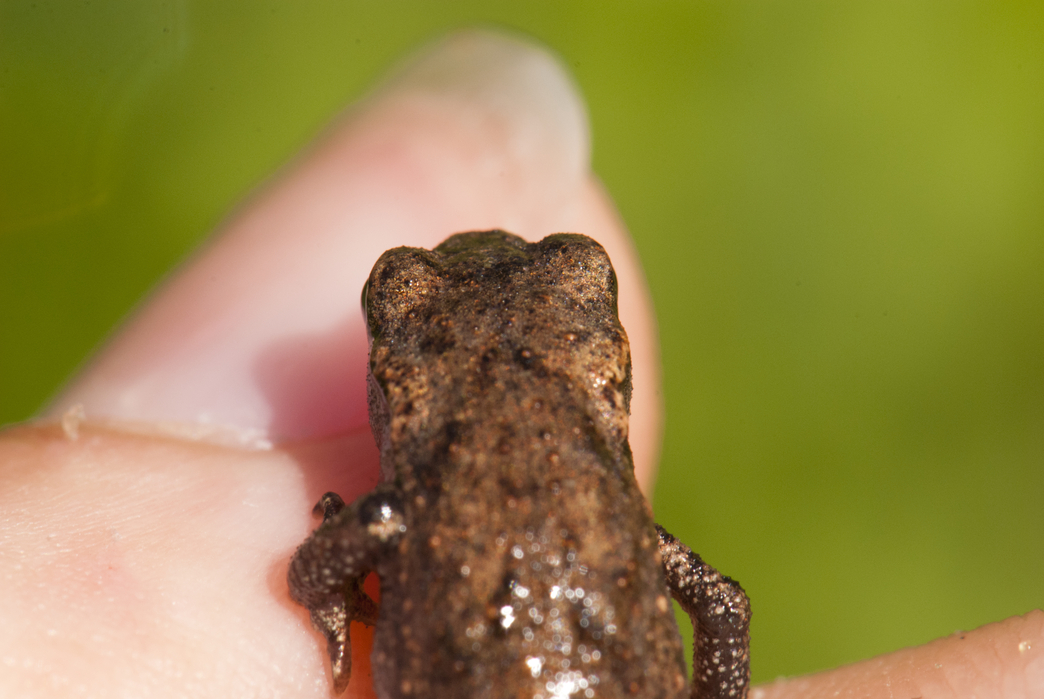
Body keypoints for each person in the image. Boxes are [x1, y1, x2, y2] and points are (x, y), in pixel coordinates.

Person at [0, 30, 1038, 699]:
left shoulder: (401, 510)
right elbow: (724, 608)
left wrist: (338, 600)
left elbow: (316, 566)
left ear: (397, 391)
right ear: (605, 376)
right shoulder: (611, 513)